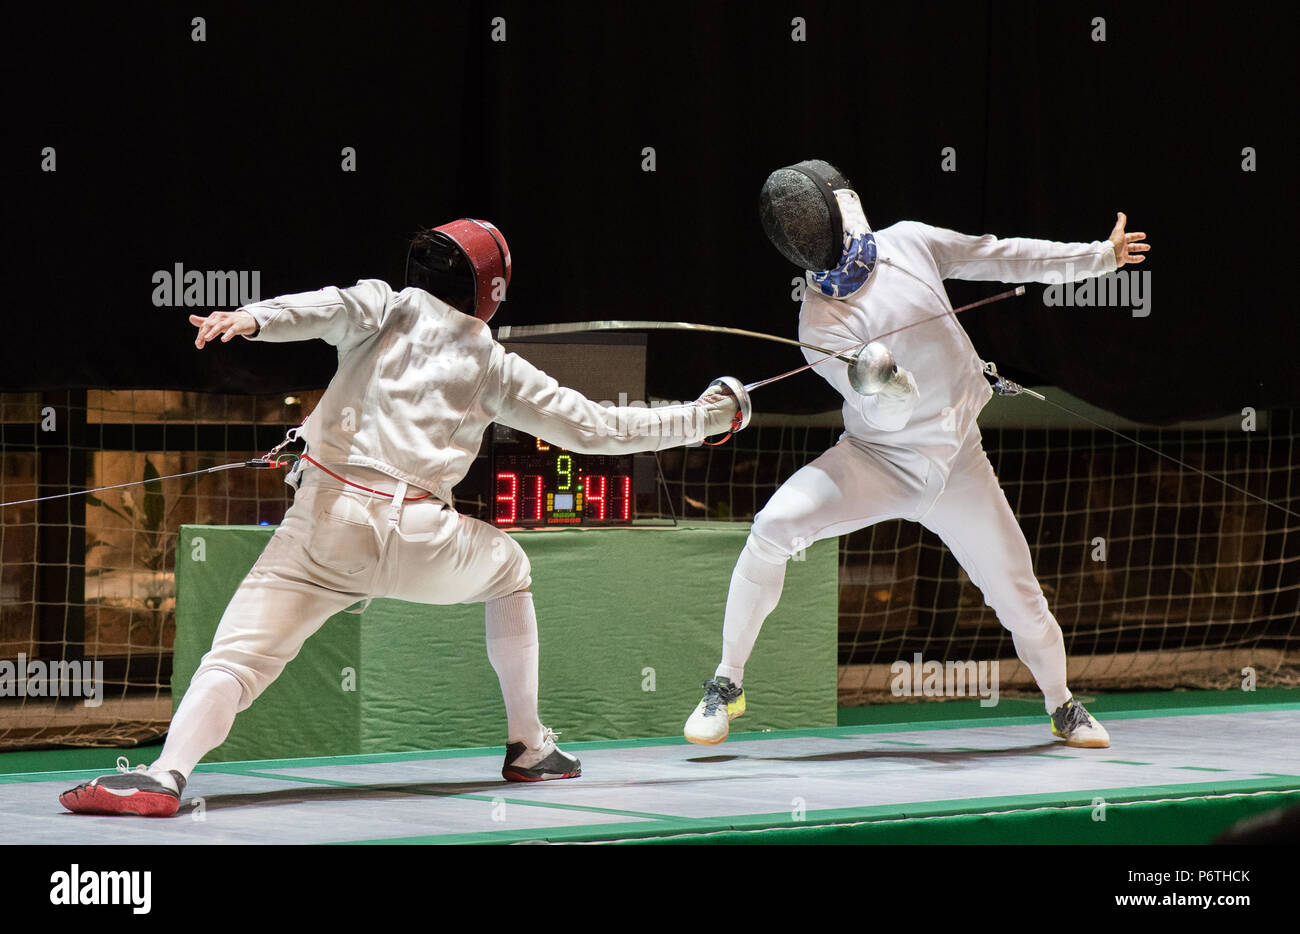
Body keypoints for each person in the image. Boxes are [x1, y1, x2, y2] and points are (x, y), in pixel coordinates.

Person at [60, 218, 750, 816]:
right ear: (492, 289)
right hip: (424, 537)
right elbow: (599, 428)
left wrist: (252, 318)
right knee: (509, 568)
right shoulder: (494, 363)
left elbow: (324, 307)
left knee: (239, 658)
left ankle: (166, 774)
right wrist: (710, 416)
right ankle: (530, 746)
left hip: (325, 529)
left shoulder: (383, 308)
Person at [684, 160, 1150, 749]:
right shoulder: (818, 321)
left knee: (1019, 594)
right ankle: (727, 682)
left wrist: (1096, 258)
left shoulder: (911, 242)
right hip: (876, 459)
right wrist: (888, 389)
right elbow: (881, 417)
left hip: (959, 463)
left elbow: (998, 255)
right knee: (773, 527)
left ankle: (1062, 705)